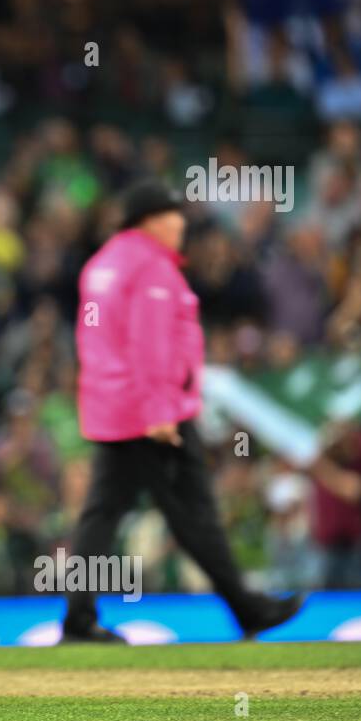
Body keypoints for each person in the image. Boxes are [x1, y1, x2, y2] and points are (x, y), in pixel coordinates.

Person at [64, 179, 303, 642]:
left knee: (102, 513)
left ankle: (78, 619)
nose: (181, 225)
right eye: (173, 215)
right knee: (193, 513)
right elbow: (150, 344)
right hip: (154, 414)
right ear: (150, 220)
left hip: (113, 409)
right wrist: (160, 412)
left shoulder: (102, 265)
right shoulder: (152, 268)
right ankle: (248, 608)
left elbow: (96, 342)